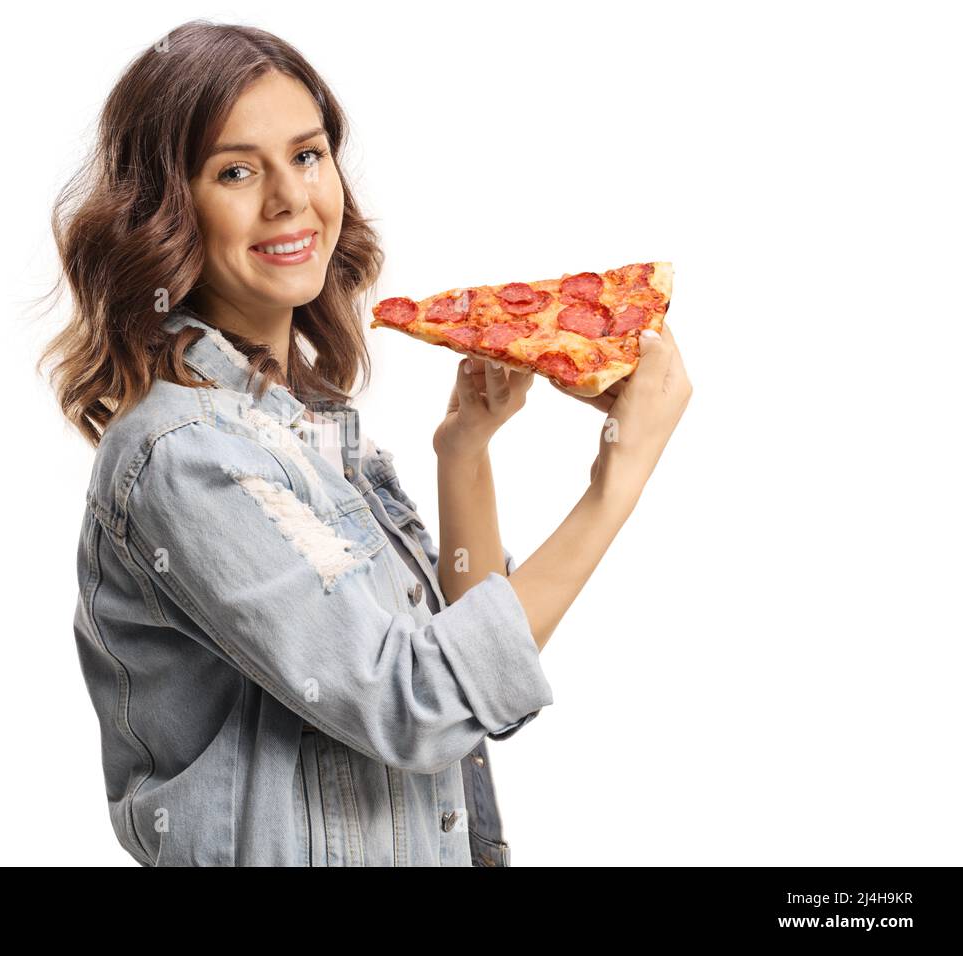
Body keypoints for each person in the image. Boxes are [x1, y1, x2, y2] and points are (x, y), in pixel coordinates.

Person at [37, 20, 692, 867]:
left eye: (308, 155)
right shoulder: (187, 453)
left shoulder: (297, 425)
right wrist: (619, 476)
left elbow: (474, 687)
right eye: (236, 170)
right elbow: (413, 705)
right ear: (166, 211)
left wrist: (465, 455)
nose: (289, 198)